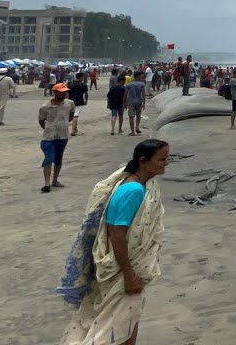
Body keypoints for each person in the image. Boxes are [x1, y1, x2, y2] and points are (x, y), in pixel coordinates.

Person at [59, 139, 169, 345]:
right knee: (114, 325)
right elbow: (116, 234)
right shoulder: (133, 190)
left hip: (127, 267)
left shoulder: (141, 184)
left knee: (127, 319)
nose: (166, 164)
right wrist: (129, 275)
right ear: (143, 161)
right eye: (161, 159)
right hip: (122, 269)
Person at [39, 83, 75, 193]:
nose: (64, 93)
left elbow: (71, 117)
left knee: (58, 159)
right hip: (48, 137)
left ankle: (55, 180)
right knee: (49, 158)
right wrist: (49, 128)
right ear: (55, 92)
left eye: (65, 91)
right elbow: (41, 121)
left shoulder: (69, 104)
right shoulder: (45, 107)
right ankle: (46, 183)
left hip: (63, 136)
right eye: (62, 92)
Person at [69, 72, 89, 137]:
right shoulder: (83, 85)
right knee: (75, 116)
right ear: (81, 77)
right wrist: (86, 100)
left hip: (71, 101)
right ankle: (73, 130)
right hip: (79, 101)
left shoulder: (70, 84)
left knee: (73, 115)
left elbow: (67, 94)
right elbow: (86, 94)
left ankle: (75, 128)